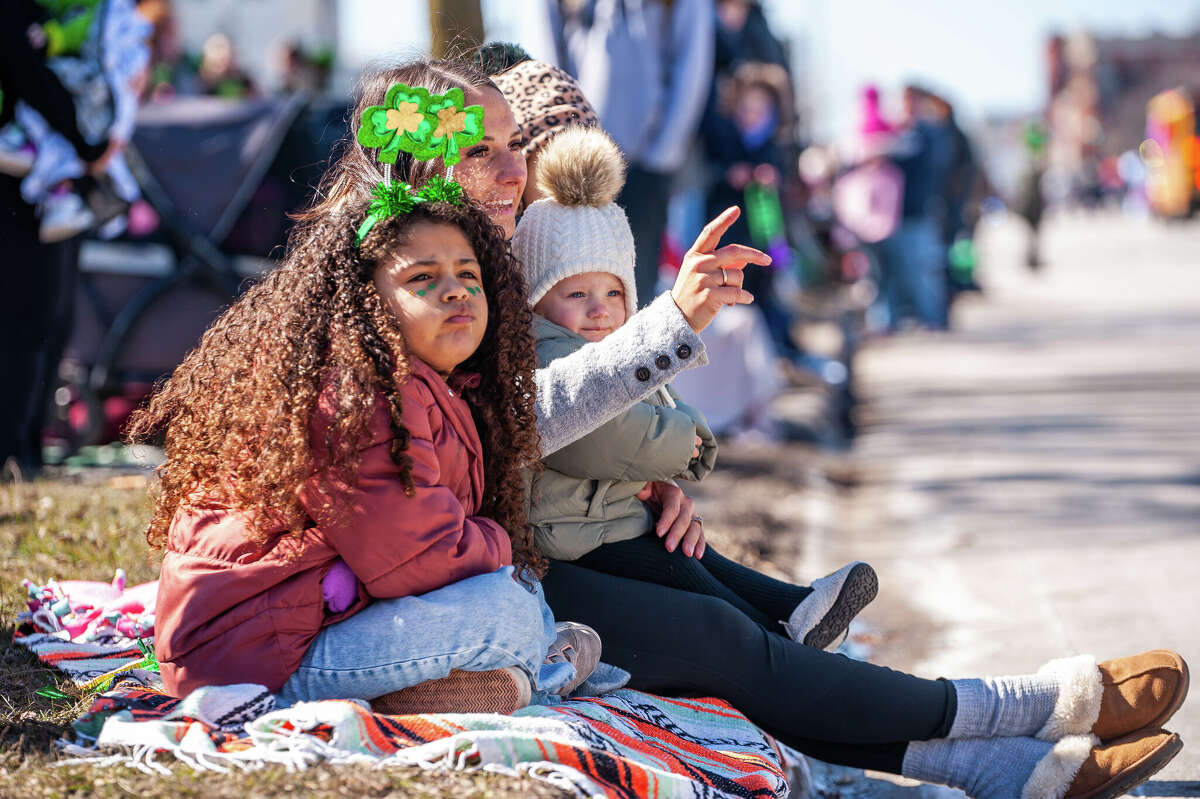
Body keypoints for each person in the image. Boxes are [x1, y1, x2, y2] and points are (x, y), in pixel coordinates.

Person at [416, 55, 1187, 799]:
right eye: (488, 152)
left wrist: (650, 475)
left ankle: (1005, 767)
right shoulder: (430, 274)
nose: (520, 175)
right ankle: (1031, 704)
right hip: (486, 584)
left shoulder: (481, 264)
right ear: (417, 161)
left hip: (522, 554)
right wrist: (672, 336)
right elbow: (529, 420)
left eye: (520, 149)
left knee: (741, 635)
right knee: (729, 642)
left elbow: (539, 429)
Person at [512, 124, 876, 649]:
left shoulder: (613, 351)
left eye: (613, 292)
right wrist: (687, 444)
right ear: (538, 300)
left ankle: (793, 609)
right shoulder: (551, 351)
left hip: (608, 515)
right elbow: (611, 438)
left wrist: (688, 437)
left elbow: (667, 400)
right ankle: (779, 634)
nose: (598, 309)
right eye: (575, 292)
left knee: (703, 560)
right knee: (690, 575)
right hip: (577, 533)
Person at [1, 0, 123, 478]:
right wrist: (89, 145)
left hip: (57, 187)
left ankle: (27, 449)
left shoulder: (71, 16)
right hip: (19, 191)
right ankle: (14, 455)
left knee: (51, 323)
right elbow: (30, 76)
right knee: (25, 323)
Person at [551, 0, 716, 306]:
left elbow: (692, 65)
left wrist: (661, 153)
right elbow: (552, 54)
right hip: (582, 161)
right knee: (582, 289)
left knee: (634, 293)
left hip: (646, 163)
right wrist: (565, 142)